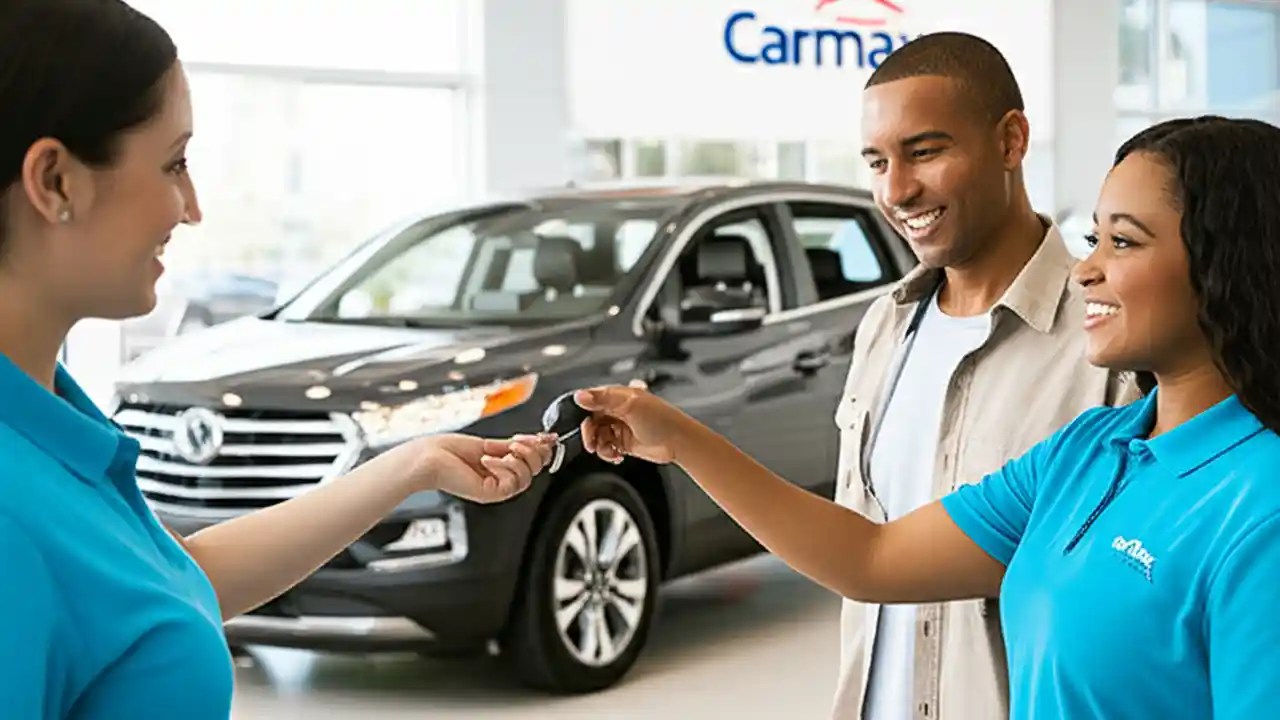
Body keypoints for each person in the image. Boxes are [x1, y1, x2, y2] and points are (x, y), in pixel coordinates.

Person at [575, 114, 1280, 719]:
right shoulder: (1094, 450)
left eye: (1122, 242)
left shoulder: (1261, 506)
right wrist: (678, 438)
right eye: (1092, 239)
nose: (1085, 269)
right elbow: (870, 559)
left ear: (1228, 263)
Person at [0, 2, 556, 718]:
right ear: (55, 181)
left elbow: (170, 584)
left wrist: (411, 467)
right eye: (174, 163)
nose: (191, 207)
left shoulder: (50, 418)